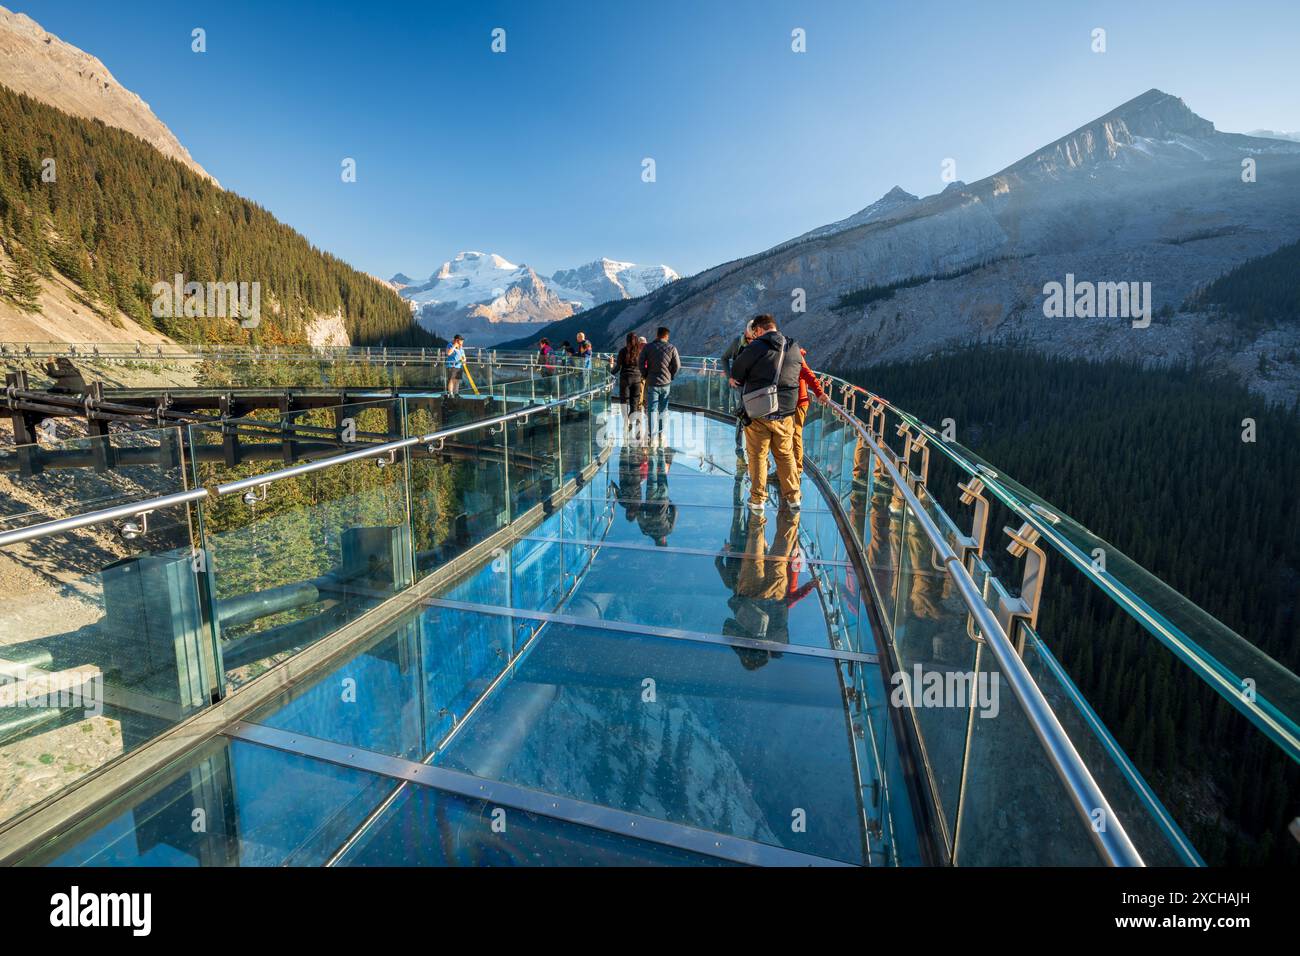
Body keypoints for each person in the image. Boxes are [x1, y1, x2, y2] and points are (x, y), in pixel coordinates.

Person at [729, 314, 802, 515]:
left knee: (758, 456)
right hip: (786, 411)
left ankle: (758, 500)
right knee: (785, 455)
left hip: (759, 410)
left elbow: (736, 371)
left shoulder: (756, 347)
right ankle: (794, 497)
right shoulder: (793, 346)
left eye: (754, 332)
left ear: (759, 330)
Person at [720, 320, 757, 468]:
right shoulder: (737, 342)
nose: (751, 341)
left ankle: (751, 447)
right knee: (741, 416)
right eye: (749, 338)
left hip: (754, 387)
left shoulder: (758, 343)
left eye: (753, 339)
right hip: (739, 387)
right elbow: (724, 358)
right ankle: (739, 448)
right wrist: (730, 377)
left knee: (753, 417)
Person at [639, 326, 681, 447]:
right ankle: (661, 434)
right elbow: (677, 365)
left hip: (652, 382)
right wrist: (670, 375)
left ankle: (652, 436)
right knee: (663, 410)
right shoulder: (672, 348)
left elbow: (640, 362)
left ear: (657, 335)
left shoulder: (648, 347)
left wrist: (645, 374)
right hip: (666, 384)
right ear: (666, 336)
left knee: (652, 410)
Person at [792, 347, 830, 479]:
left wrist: (819, 393)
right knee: (788, 437)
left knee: (795, 436)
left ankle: (796, 471)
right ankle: (787, 470)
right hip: (790, 402)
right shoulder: (789, 354)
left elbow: (808, 374)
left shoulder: (794, 356)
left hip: (797, 402)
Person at [611, 331, 646, 442]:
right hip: (637, 379)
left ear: (626, 340)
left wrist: (609, 373)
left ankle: (626, 421)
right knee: (634, 402)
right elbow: (642, 367)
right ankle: (632, 422)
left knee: (624, 401)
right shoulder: (640, 352)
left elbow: (618, 367)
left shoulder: (622, 351)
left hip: (625, 379)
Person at [444, 334, 466, 398]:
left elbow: (464, 356)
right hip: (451, 365)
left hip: (459, 366)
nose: (462, 342)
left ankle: (456, 394)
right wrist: (454, 346)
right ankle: (450, 393)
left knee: (457, 380)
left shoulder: (461, 348)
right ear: (457, 340)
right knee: (452, 379)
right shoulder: (450, 345)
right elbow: (448, 353)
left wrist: (464, 360)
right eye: (461, 341)